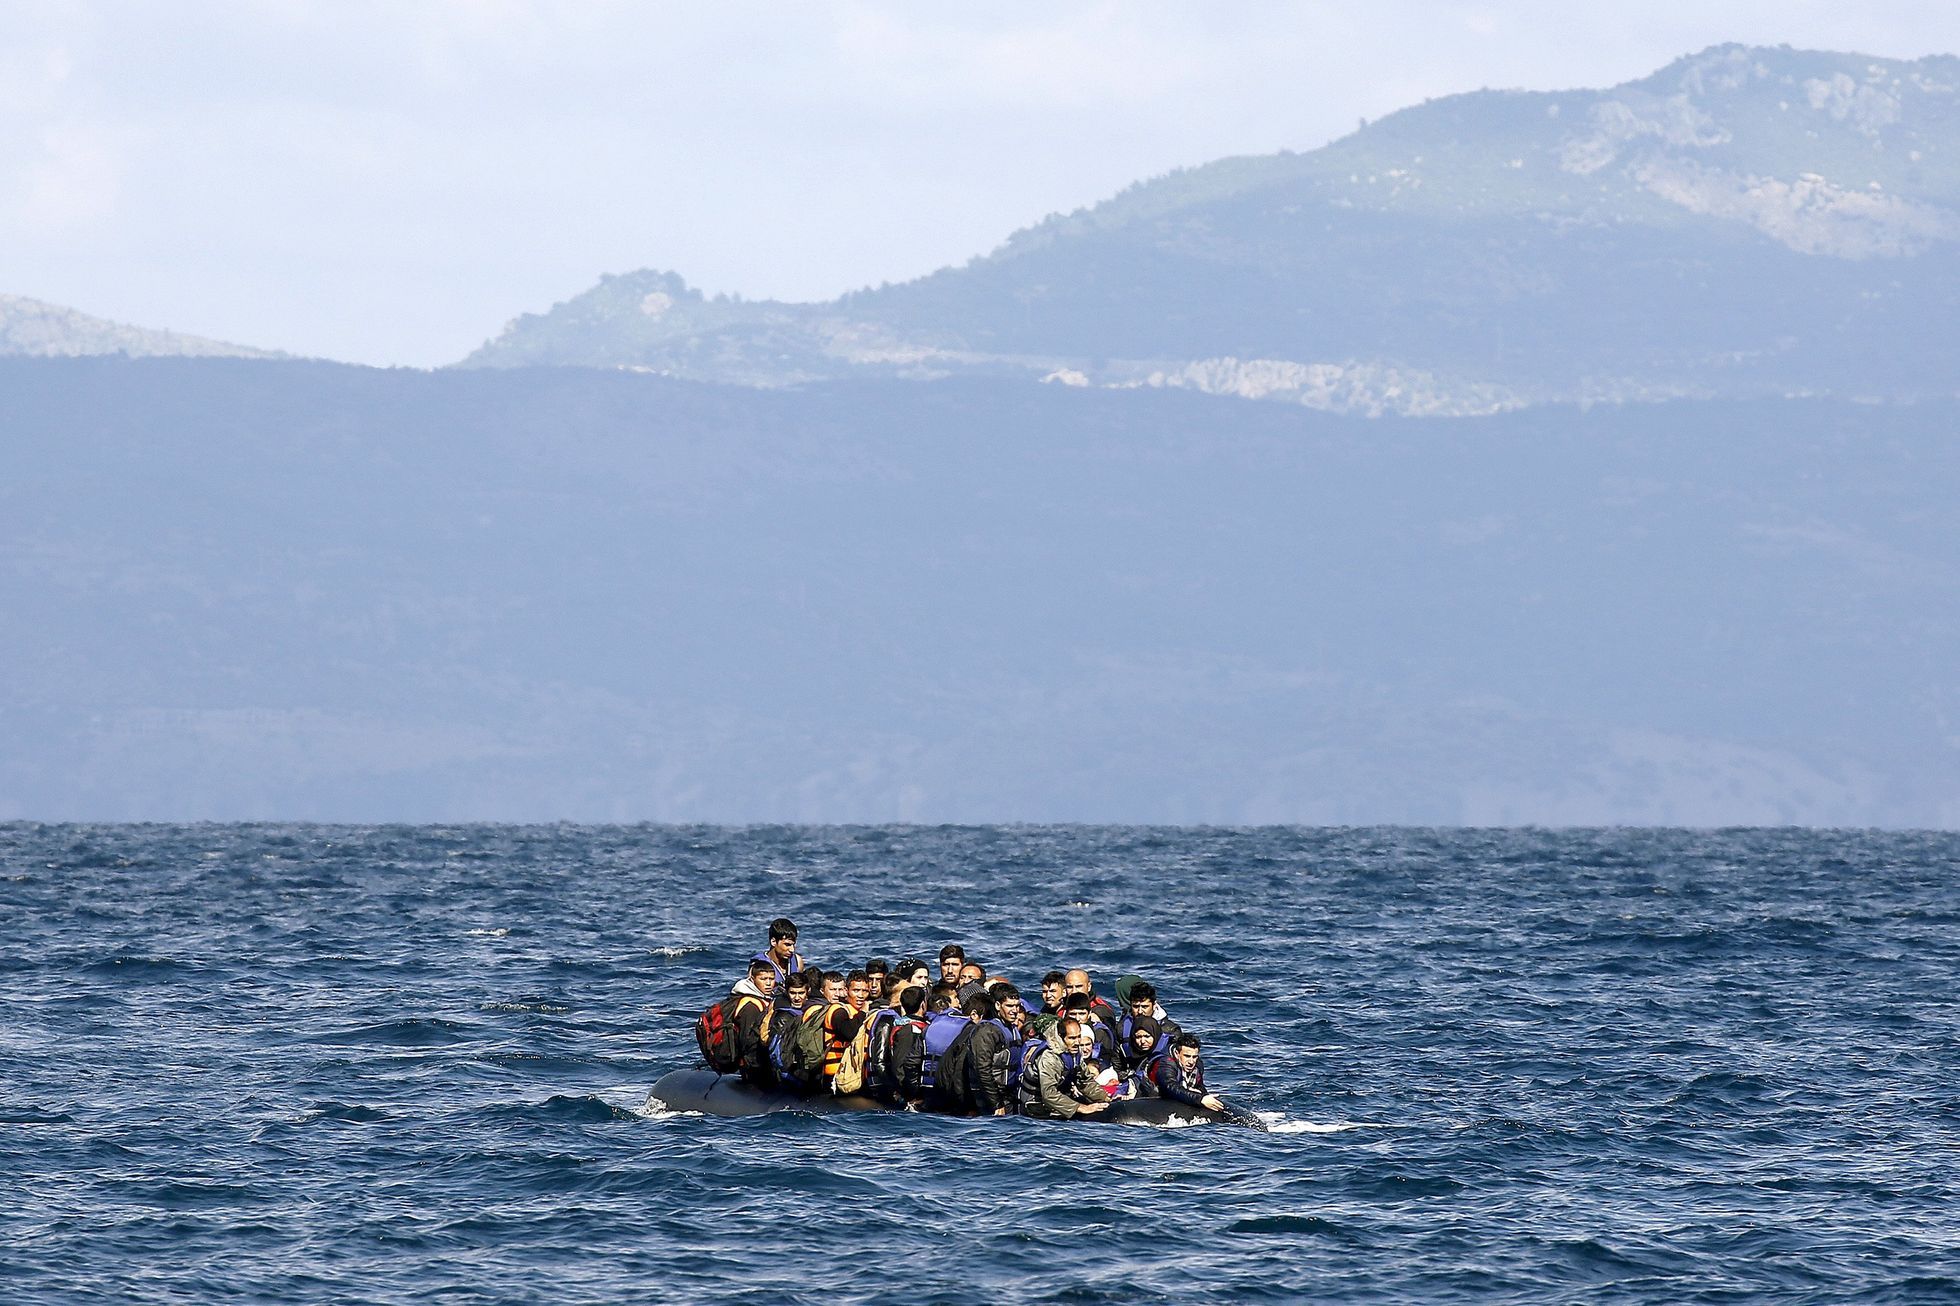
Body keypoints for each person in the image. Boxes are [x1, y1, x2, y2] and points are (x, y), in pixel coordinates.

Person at [1021, 1018, 1110, 1119]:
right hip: (1035, 1106)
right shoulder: (1050, 1057)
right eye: (1072, 1038)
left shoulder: (1074, 1053)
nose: (1077, 1042)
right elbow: (1049, 1093)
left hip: (1059, 1102)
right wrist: (1081, 1108)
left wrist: (1106, 1098)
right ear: (1060, 1036)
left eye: (1079, 1037)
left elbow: (1085, 1081)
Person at [867, 984, 929, 1106]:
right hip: (907, 1094)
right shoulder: (910, 1029)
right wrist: (908, 1093)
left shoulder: (900, 1024)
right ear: (923, 1004)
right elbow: (900, 1065)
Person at [932, 993, 991, 1114]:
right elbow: (959, 1071)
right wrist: (966, 1106)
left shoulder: (956, 1028)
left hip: (938, 1097)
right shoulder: (972, 1033)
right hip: (956, 1104)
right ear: (974, 1015)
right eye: (989, 1019)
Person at [1145, 1034, 1226, 1114]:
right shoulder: (1166, 1063)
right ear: (1177, 1053)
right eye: (1187, 1056)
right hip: (1153, 1100)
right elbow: (1170, 1087)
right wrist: (1199, 1099)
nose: (1191, 1062)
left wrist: (1205, 1097)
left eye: (1194, 1057)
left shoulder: (1197, 1065)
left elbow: (1199, 1086)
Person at [727, 959, 778, 1086]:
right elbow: (748, 1041)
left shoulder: (765, 998)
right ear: (753, 979)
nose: (768, 983)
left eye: (771, 979)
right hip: (753, 1068)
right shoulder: (750, 1006)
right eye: (763, 979)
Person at [754, 919, 803, 1008]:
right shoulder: (758, 964)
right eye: (787, 945)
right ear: (773, 942)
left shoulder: (797, 961)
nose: (792, 950)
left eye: (793, 945)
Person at [1062, 994, 1119, 1068]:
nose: (1077, 1018)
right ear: (1066, 1014)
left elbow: (1106, 1060)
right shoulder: (1060, 1030)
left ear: (1089, 1014)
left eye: (1082, 1014)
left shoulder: (1099, 1032)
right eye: (1073, 1014)